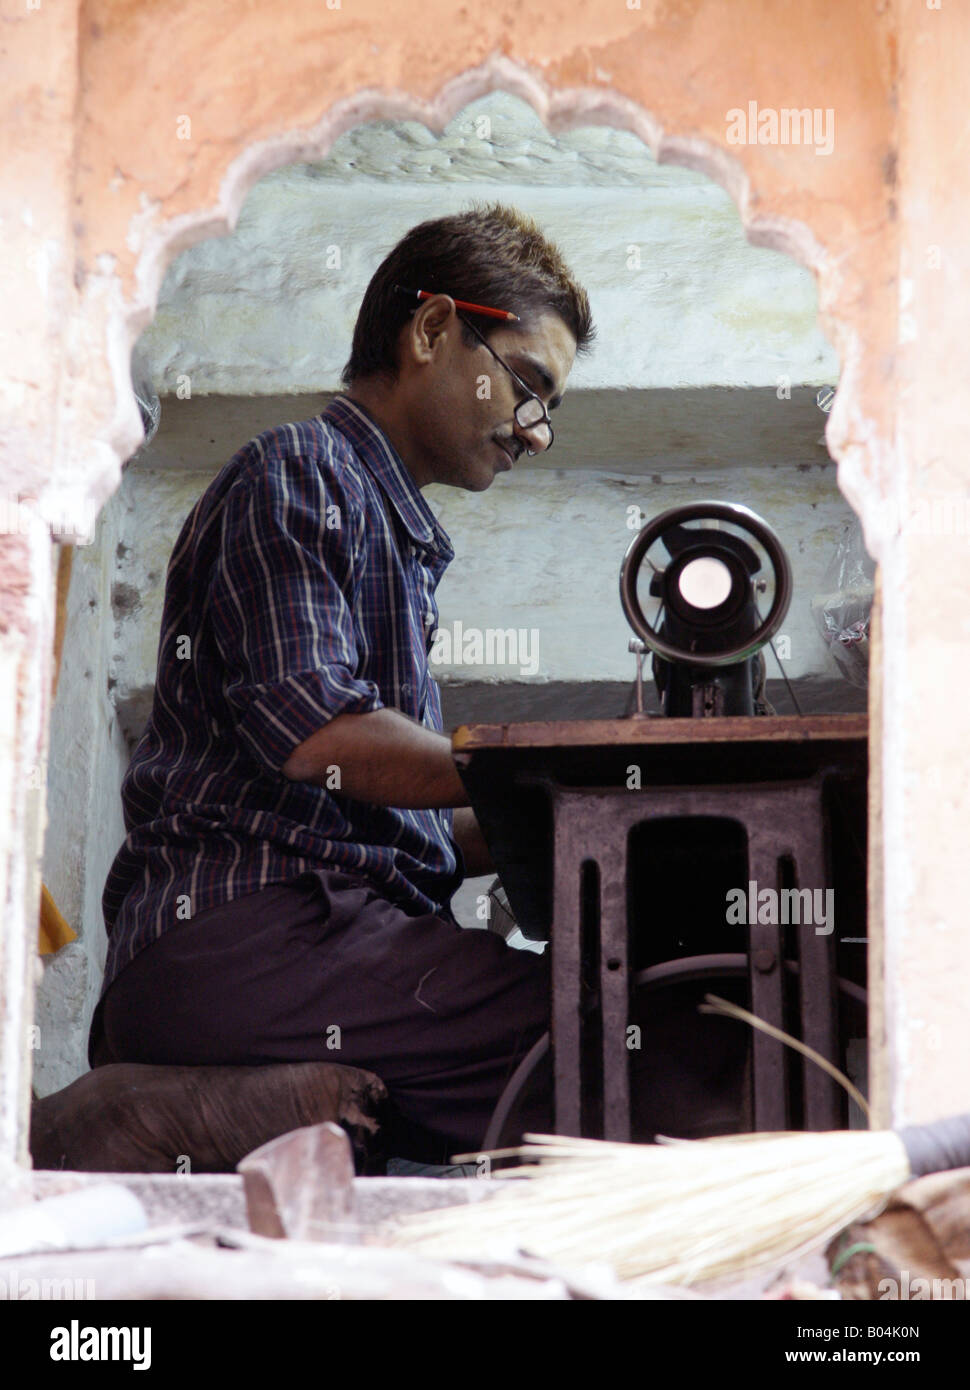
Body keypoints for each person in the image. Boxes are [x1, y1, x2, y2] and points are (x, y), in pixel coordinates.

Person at [88, 202, 594, 1163]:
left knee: (597, 1036)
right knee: (631, 1032)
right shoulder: (301, 473)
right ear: (434, 329)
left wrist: (589, 812)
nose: (532, 432)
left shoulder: (390, 539)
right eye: (528, 386)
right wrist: (528, 766)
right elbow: (318, 738)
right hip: (248, 936)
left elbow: (412, 819)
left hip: (317, 939)